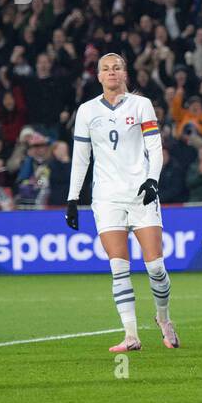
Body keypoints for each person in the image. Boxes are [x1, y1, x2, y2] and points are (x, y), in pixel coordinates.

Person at [64, 53, 179, 353]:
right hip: (106, 198)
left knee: (155, 266)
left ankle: (163, 318)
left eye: (117, 68)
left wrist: (153, 179)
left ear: (125, 74)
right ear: (98, 76)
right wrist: (73, 198)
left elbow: (155, 147)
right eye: (106, 69)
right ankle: (131, 335)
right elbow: (81, 158)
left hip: (141, 194)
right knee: (119, 267)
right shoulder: (87, 111)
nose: (111, 72)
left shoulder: (141, 105)